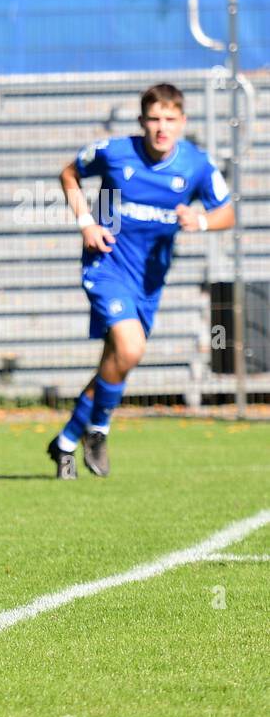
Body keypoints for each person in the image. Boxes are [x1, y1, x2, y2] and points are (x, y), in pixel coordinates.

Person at [50, 83, 233, 478]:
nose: (161, 128)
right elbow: (68, 173)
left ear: (182, 122)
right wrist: (86, 223)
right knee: (130, 350)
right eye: (154, 119)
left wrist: (200, 221)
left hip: (148, 283)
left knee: (116, 363)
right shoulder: (114, 152)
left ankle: (66, 441)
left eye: (170, 119)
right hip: (106, 266)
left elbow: (227, 212)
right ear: (141, 121)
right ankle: (98, 429)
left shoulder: (196, 165)